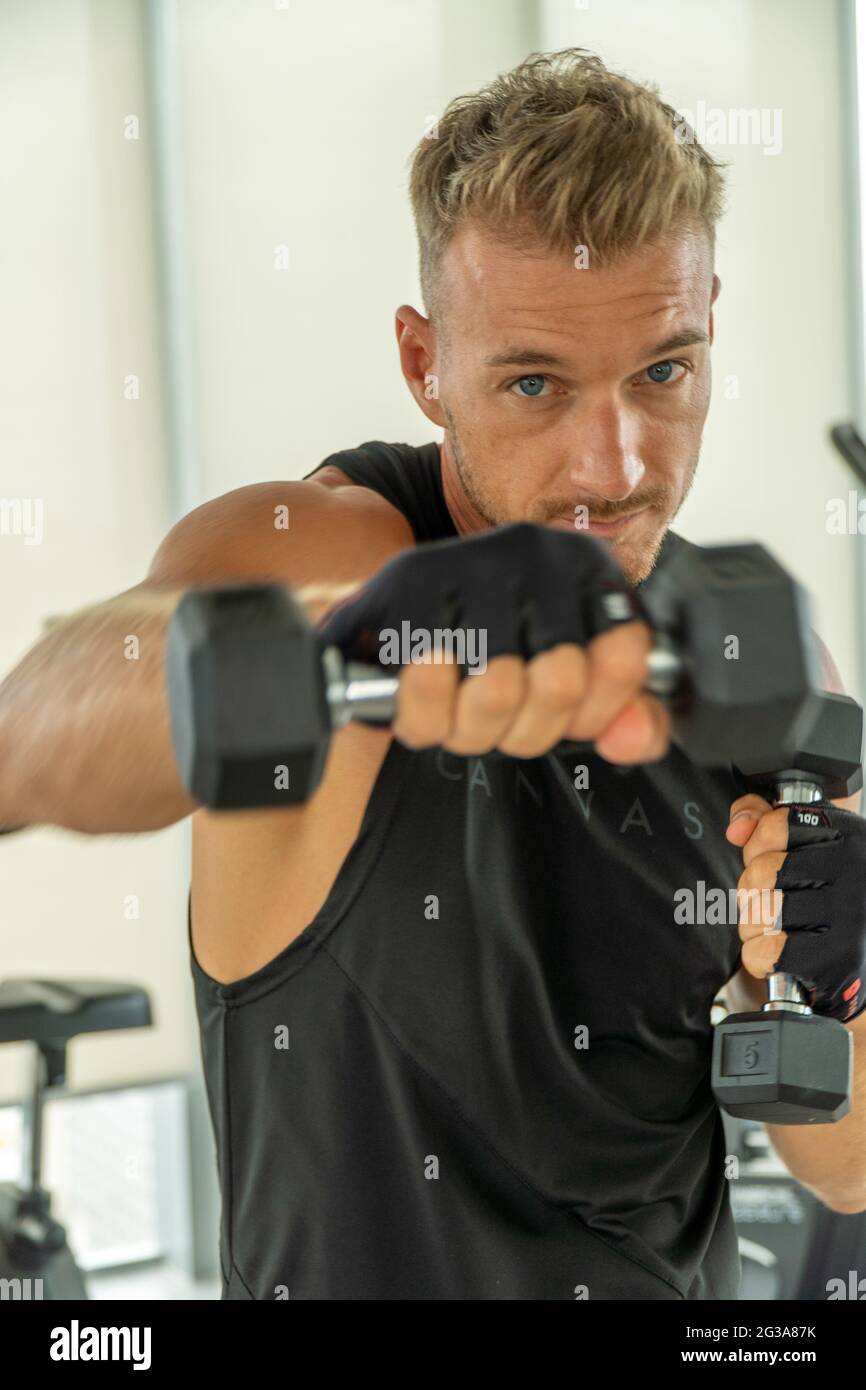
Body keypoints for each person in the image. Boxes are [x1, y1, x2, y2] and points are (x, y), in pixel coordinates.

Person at [1, 48, 865, 1301]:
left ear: (710, 322)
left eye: (661, 373)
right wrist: (348, 639)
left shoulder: (746, 665)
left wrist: (837, 978)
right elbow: (31, 731)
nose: (612, 463)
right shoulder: (328, 549)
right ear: (423, 363)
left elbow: (839, 1167)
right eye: (531, 383)